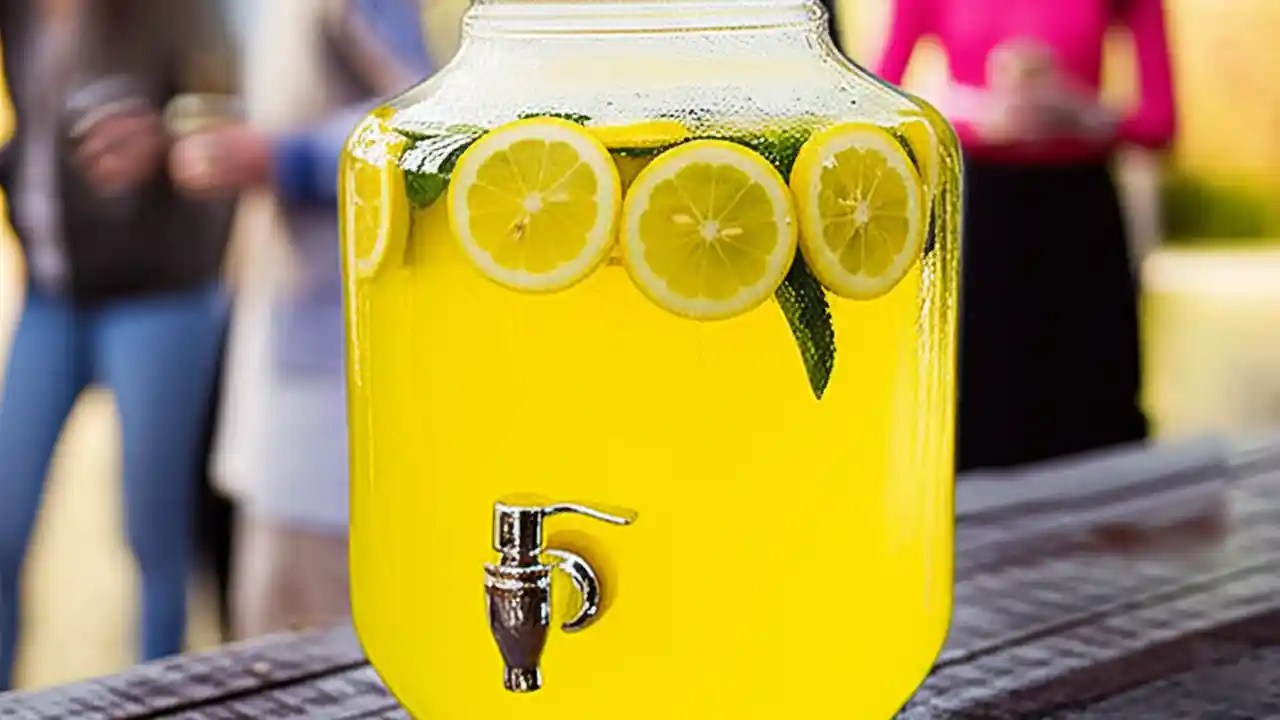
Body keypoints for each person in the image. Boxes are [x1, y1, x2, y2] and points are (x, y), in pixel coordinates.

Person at [169, 0, 431, 639]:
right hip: (272, 337)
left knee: (304, 626)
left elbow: (424, 122)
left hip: (329, 372)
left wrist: (284, 159)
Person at [0, 0, 234, 688]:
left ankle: (157, 692)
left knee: (153, 534)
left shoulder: (169, 12)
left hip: (160, 294)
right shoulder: (20, 16)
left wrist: (163, 143)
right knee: (3, 526)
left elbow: (230, 116)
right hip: (53, 295)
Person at [875, 0, 1176, 471]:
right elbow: (878, 108)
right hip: (985, 219)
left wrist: (1082, 114)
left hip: (1083, 223)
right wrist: (978, 117)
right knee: (987, 415)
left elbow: (1160, 122)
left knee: (1095, 419)